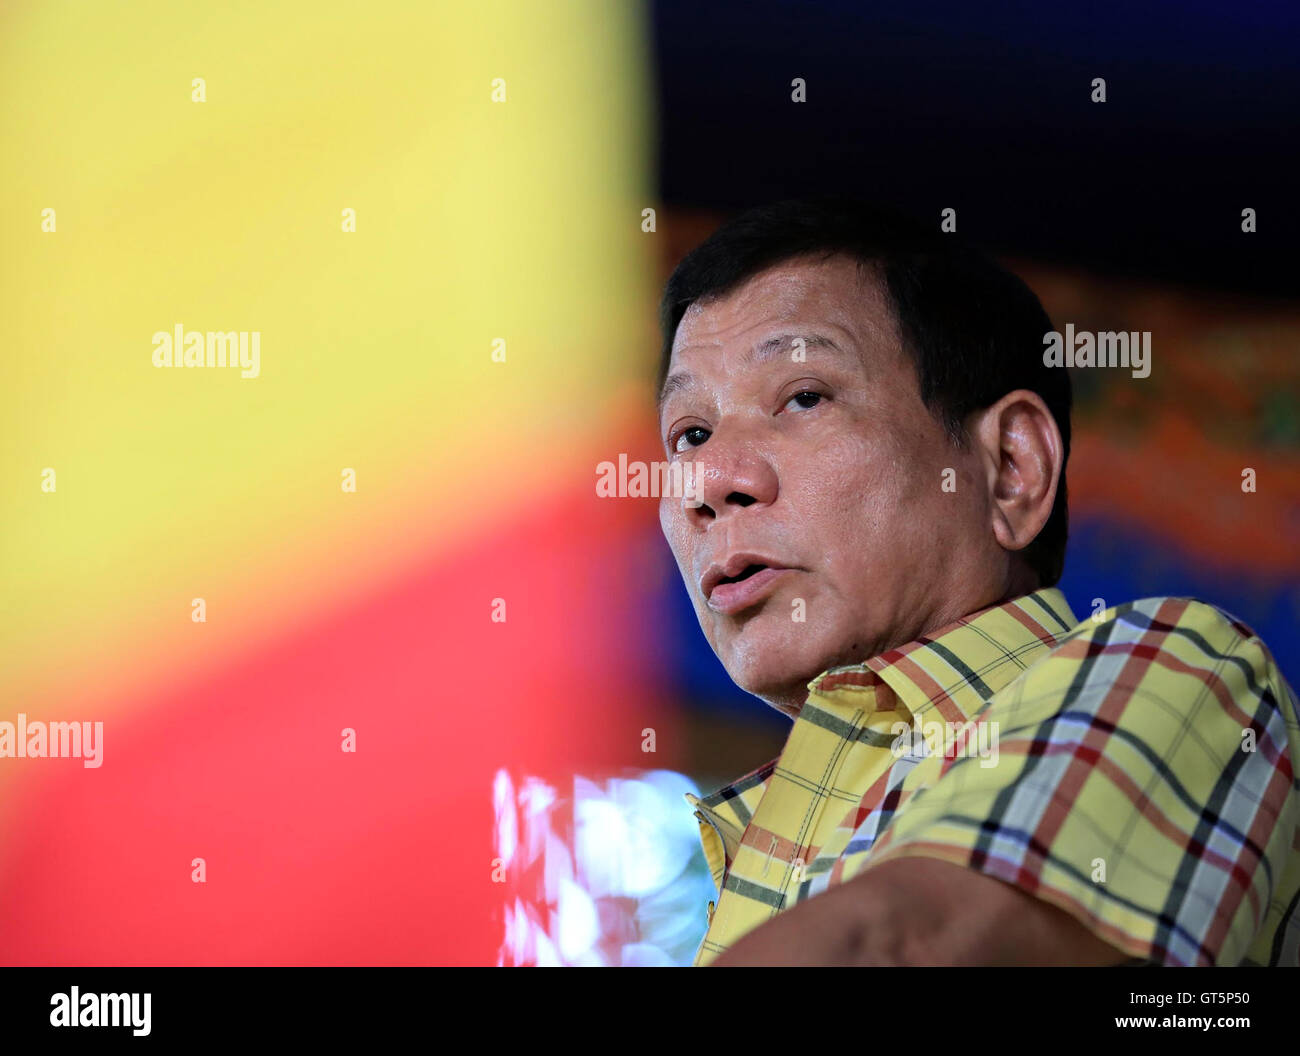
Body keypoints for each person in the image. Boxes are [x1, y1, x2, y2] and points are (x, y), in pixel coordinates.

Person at [655, 197, 1300, 966]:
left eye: (803, 397)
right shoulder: (781, 839)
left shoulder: (1180, 665)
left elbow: (903, 946)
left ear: (1010, 469)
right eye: (690, 434)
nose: (712, 480)